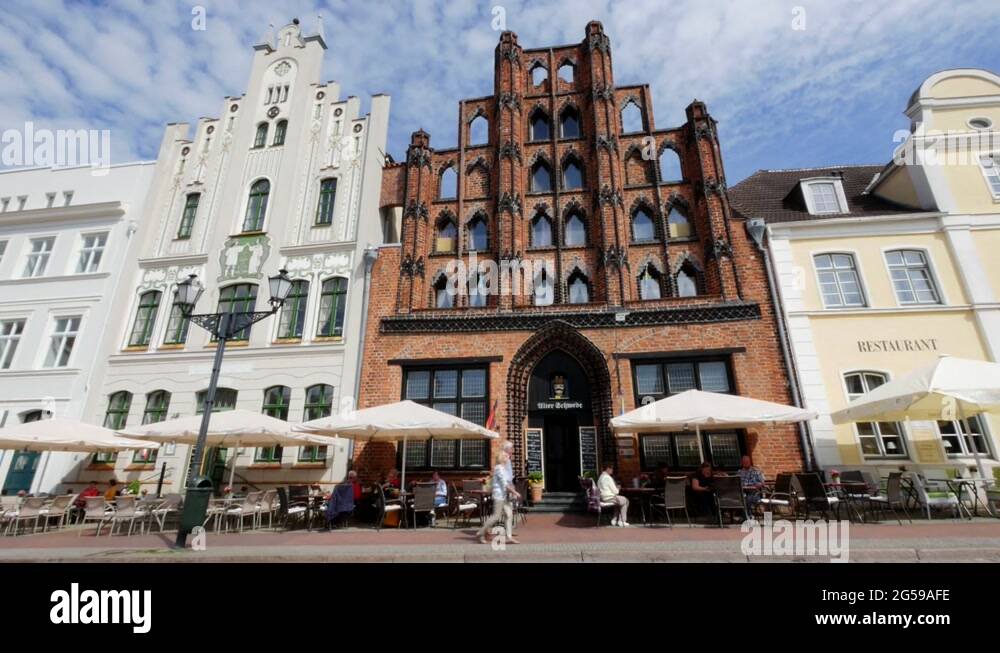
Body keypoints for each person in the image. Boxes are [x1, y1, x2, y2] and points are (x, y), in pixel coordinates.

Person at [476, 452, 520, 545]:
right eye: (506, 456)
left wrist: (512, 491)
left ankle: (509, 537)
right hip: (499, 496)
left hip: (504, 496)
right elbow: (504, 484)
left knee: (509, 514)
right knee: (496, 516)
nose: (508, 457)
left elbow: (508, 481)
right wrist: (514, 492)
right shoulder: (499, 468)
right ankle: (481, 532)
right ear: (501, 458)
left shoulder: (504, 468)